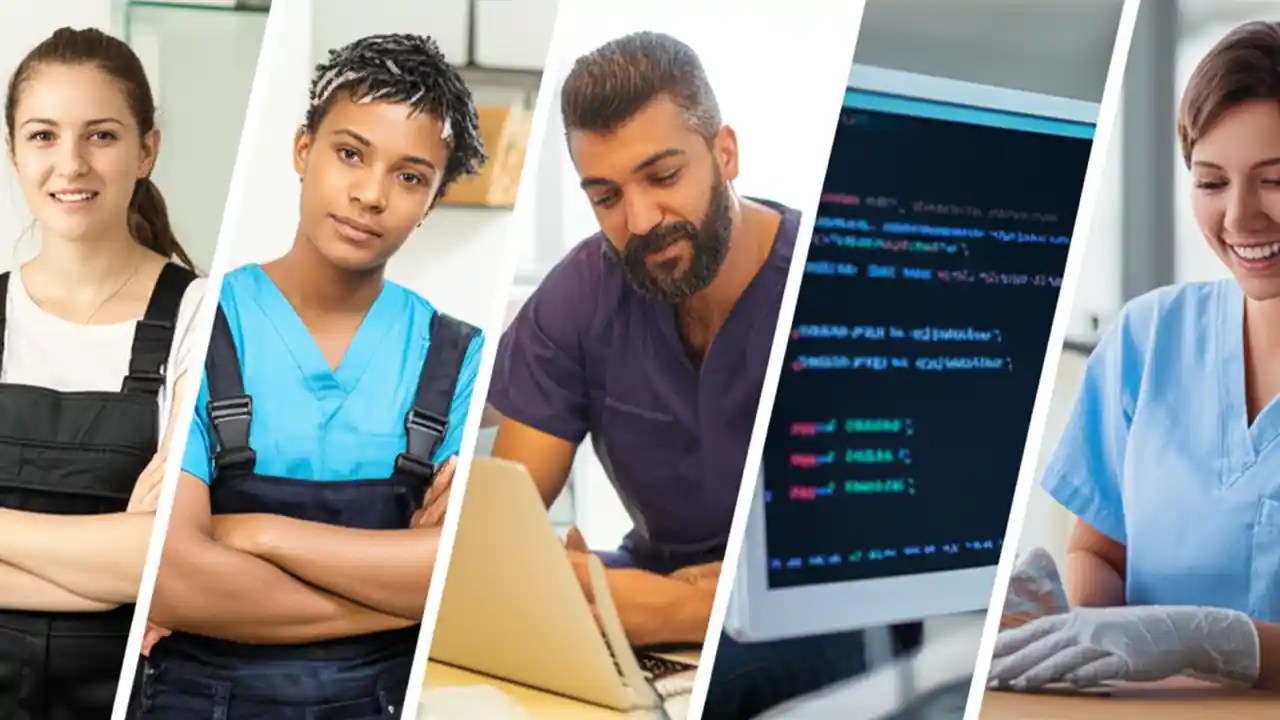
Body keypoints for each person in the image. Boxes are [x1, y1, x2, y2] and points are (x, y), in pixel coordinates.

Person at [486, 31, 919, 719]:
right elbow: (501, 526)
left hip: (822, 607)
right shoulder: (583, 291)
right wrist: (580, 589)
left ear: (725, 153)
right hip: (648, 576)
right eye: (606, 196)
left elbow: (869, 557)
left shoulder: (837, 283)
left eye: (663, 177)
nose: (640, 220)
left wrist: (682, 609)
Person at [137, 34, 485, 718]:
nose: (370, 194)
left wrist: (250, 534)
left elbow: (465, 576)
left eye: (410, 176)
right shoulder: (207, 322)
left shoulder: (458, 356)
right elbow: (171, 580)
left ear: (433, 198)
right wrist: (401, 583)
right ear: (304, 150)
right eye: (350, 154)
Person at [990, 21, 1280, 691]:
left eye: (1274, 180)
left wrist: (1220, 643)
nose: (1241, 218)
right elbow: (1098, 551)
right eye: (1211, 183)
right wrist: (1076, 635)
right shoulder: (1148, 339)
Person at [0, 27, 204, 719]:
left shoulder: (203, 315)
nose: (71, 164)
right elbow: (136, 563)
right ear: (11, 152)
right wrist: (112, 565)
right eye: (43, 136)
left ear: (147, 149)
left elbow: (172, 559)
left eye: (102, 136)